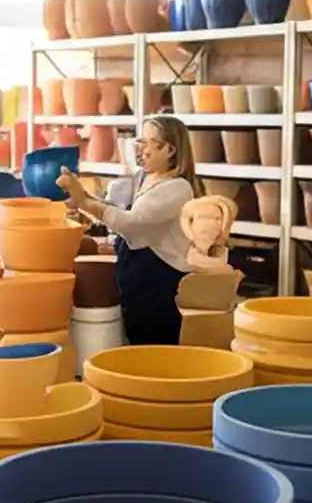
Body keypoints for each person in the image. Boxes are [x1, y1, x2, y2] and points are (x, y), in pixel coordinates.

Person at [56, 115, 204, 345]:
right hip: (139, 275)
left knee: (156, 345)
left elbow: (131, 223)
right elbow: (119, 212)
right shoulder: (147, 178)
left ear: (170, 150)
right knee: (137, 339)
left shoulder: (178, 189)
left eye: (149, 143)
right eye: (140, 141)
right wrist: (81, 197)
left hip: (160, 280)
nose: (140, 149)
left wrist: (86, 202)